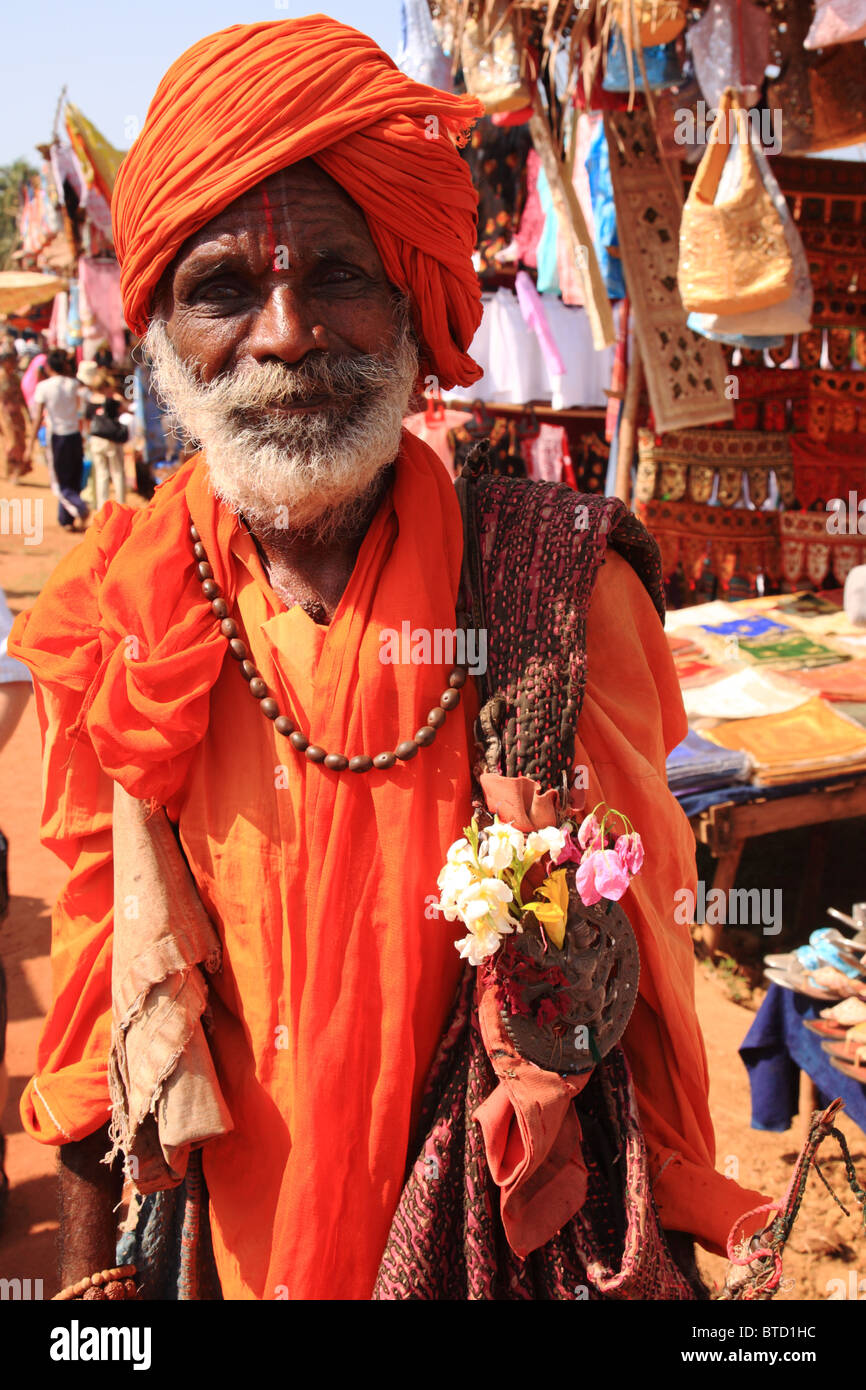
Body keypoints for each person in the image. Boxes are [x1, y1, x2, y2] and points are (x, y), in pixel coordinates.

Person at [8, 17, 770, 1302]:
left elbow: (638, 1023)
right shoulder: (115, 603)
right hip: (225, 1259)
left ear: (415, 298)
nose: (289, 332)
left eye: (340, 275)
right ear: (157, 330)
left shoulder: (561, 598)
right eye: (223, 289)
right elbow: (104, 1002)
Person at [29, 350, 88, 530]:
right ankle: (66, 520)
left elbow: (38, 418)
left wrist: (30, 444)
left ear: (48, 367)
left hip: (57, 438)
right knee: (73, 477)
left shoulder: (44, 387)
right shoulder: (73, 384)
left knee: (59, 482)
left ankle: (79, 506)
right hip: (75, 436)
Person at [84, 369, 128, 510]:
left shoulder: (91, 401)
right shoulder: (113, 401)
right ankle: (121, 506)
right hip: (112, 440)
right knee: (117, 473)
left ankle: (102, 509)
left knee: (101, 474)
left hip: (96, 440)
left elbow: (86, 420)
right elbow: (126, 409)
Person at [0, 344, 32, 481]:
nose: (13, 363)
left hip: (17, 414)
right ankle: (10, 470)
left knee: (20, 441)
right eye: (11, 360)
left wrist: (28, 412)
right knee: (11, 442)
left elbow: (21, 396)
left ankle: (16, 471)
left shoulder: (15, 378)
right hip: (4, 414)